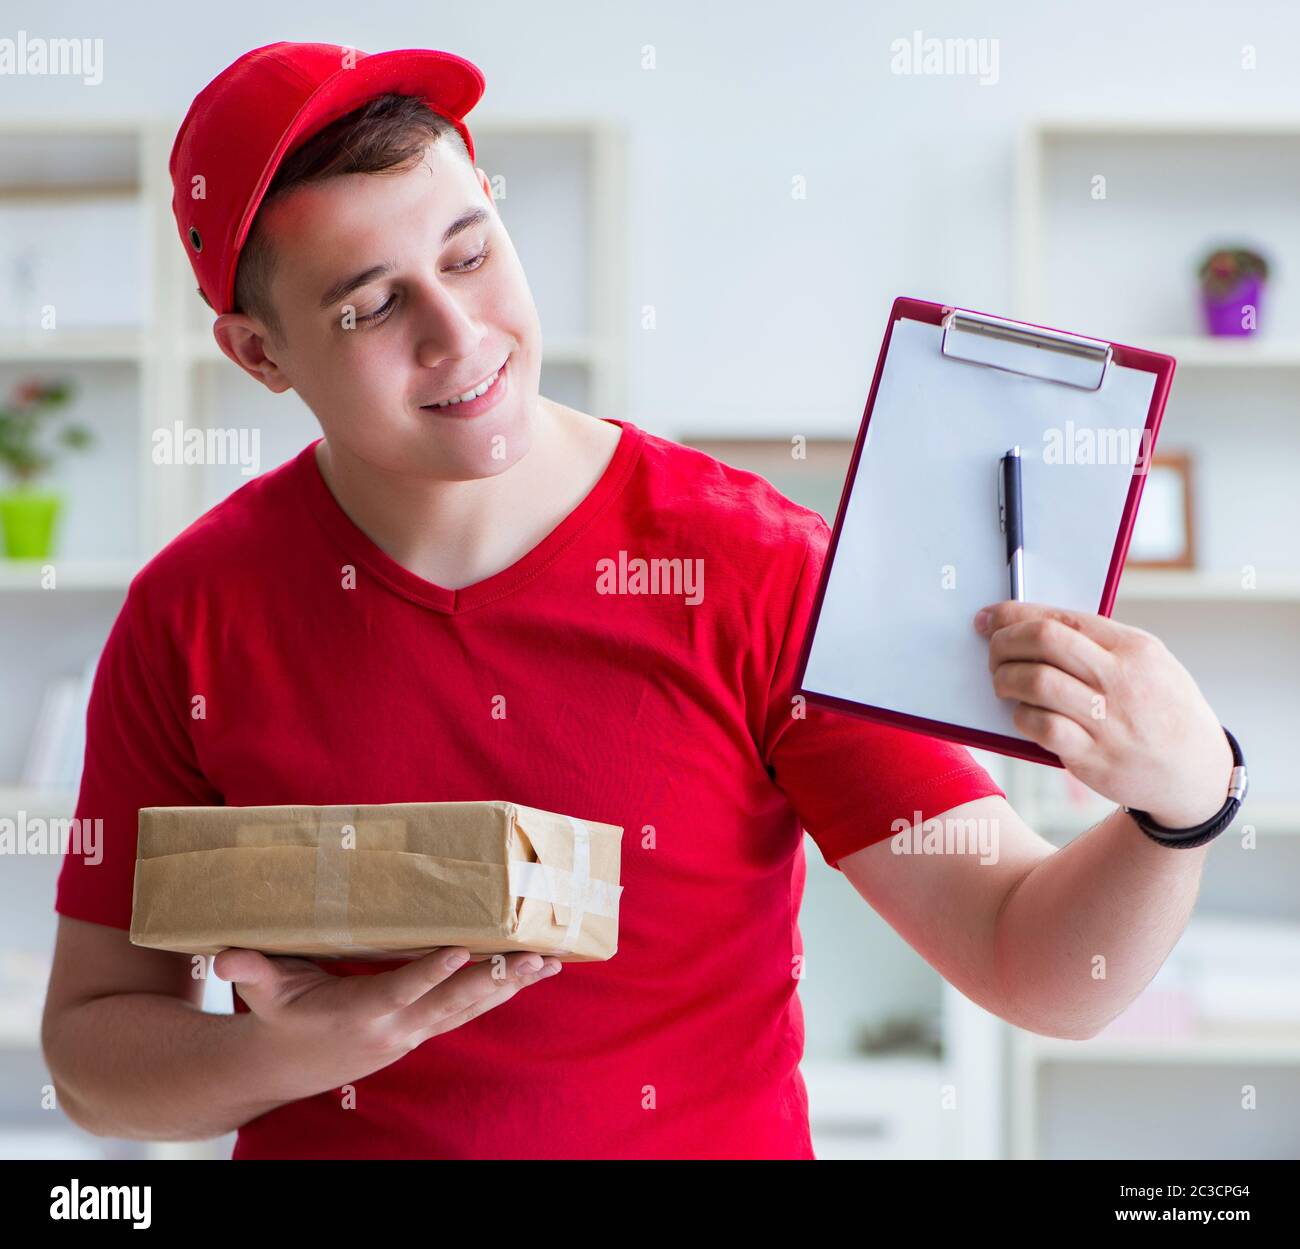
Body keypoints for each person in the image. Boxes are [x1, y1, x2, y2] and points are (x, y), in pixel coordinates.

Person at [42, 41, 1241, 1160]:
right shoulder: (187, 611)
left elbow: (1033, 960)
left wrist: (1183, 801)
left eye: (469, 254)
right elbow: (94, 1051)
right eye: (370, 306)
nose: (459, 337)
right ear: (257, 354)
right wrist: (283, 1055)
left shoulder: (757, 567)